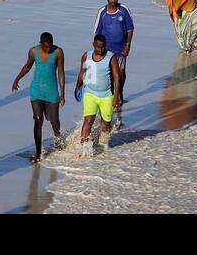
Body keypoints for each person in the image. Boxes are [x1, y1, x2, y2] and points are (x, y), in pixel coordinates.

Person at [11, 32, 65, 161]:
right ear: (41, 44)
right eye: (45, 47)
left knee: (54, 121)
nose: (48, 49)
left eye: (50, 46)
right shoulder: (33, 51)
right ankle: (38, 153)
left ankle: (58, 139)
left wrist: (62, 93)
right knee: (37, 120)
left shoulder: (58, 52)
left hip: (52, 91)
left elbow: (61, 73)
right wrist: (17, 79)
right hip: (36, 91)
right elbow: (27, 66)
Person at [74, 33, 122, 156]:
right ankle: (84, 148)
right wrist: (77, 86)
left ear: (105, 45)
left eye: (102, 47)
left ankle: (103, 145)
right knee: (88, 120)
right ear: (93, 45)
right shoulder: (86, 56)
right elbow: (82, 72)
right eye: (97, 47)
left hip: (106, 95)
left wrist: (116, 97)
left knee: (106, 123)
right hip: (89, 93)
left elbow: (117, 77)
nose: (100, 50)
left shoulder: (111, 57)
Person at [92, 0, 134, 112]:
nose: (113, 1)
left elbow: (130, 29)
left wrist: (128, 45)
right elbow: (97, 32)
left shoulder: (124, 10)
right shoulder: (102, 13)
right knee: (110, 75)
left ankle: (120, 93)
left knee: (121, 74)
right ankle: (110, 97)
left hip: (121, 49)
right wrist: (97, 50)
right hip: (107, 50)